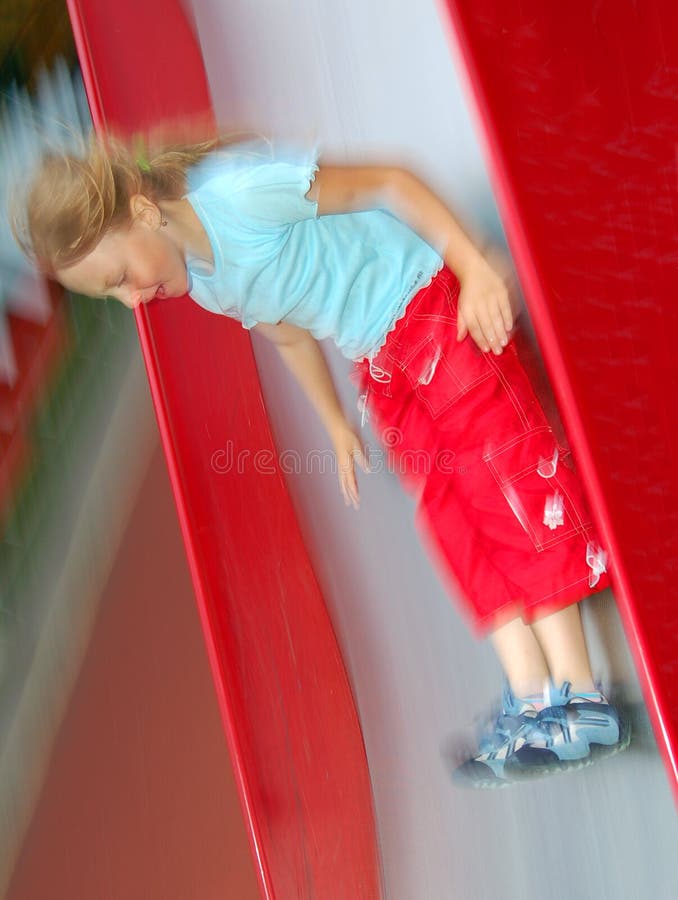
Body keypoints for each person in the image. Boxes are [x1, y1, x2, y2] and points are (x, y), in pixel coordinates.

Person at [14, 132, 629, 786]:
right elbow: (286, 326)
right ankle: (534, 696)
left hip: (430, 311)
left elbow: (391, 177)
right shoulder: (204, 282)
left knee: (502, 490)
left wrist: (473, 262)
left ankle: (582, 696)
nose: (132, 299)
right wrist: (335, 419)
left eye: (118, 278)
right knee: (456, 525)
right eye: (111, 296)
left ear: (140, 212)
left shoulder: (242, 194)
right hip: (382, 364)